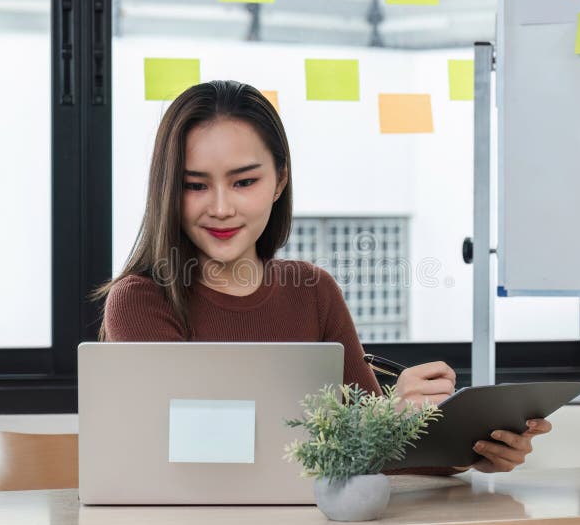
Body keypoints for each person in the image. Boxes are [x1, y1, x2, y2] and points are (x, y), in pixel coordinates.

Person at [91, 80, 551, 475]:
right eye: (195, 185)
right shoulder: (140, 302)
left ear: (280, 179)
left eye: (244, 181)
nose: (221, 207)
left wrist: (470, 446)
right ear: (168, 188)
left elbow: (378, 453)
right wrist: (387, 418)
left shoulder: (312, 291)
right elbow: (203, 452)